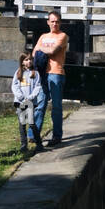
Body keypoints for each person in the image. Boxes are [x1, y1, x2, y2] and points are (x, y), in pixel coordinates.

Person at [35, 10, 69, 147]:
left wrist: (41, 49)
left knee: (56, 107)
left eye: (57, 21)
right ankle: (34, 134)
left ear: (60, 23)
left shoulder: (63, 36)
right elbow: (33, 52)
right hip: (43, 73)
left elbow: (52, 51)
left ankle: (57, 136)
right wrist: (42, 49)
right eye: (52, 21)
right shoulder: (43, 36)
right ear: (48, 22)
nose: (54, 24)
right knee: (40, 105)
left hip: (56, 73)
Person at [11, 52, 45, 153]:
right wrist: (21, 97)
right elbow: (15, 86)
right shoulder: (18, 72)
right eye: (26, 60)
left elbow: (37, 86)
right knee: (22, 123)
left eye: (30, 59)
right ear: (22, 62)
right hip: (20, 101)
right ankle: (23, 144)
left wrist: (30, 97)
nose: (29, 61)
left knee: (31, 122)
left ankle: (39, 143)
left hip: (30, 102)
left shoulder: (35, 73)